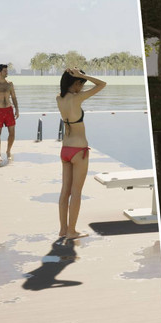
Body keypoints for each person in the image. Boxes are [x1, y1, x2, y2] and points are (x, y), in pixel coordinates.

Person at [56, 67, 105, 239]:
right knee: (76, 193)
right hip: (79, 150)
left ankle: (63, 230)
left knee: (64, 192)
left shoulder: (59, 99)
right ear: (76, 83)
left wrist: (78, 77)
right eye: (81, 84)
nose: (82, 88)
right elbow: (102, 84)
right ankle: (72, 231)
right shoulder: (77, 99)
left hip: (65, 149)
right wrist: (83, 75)